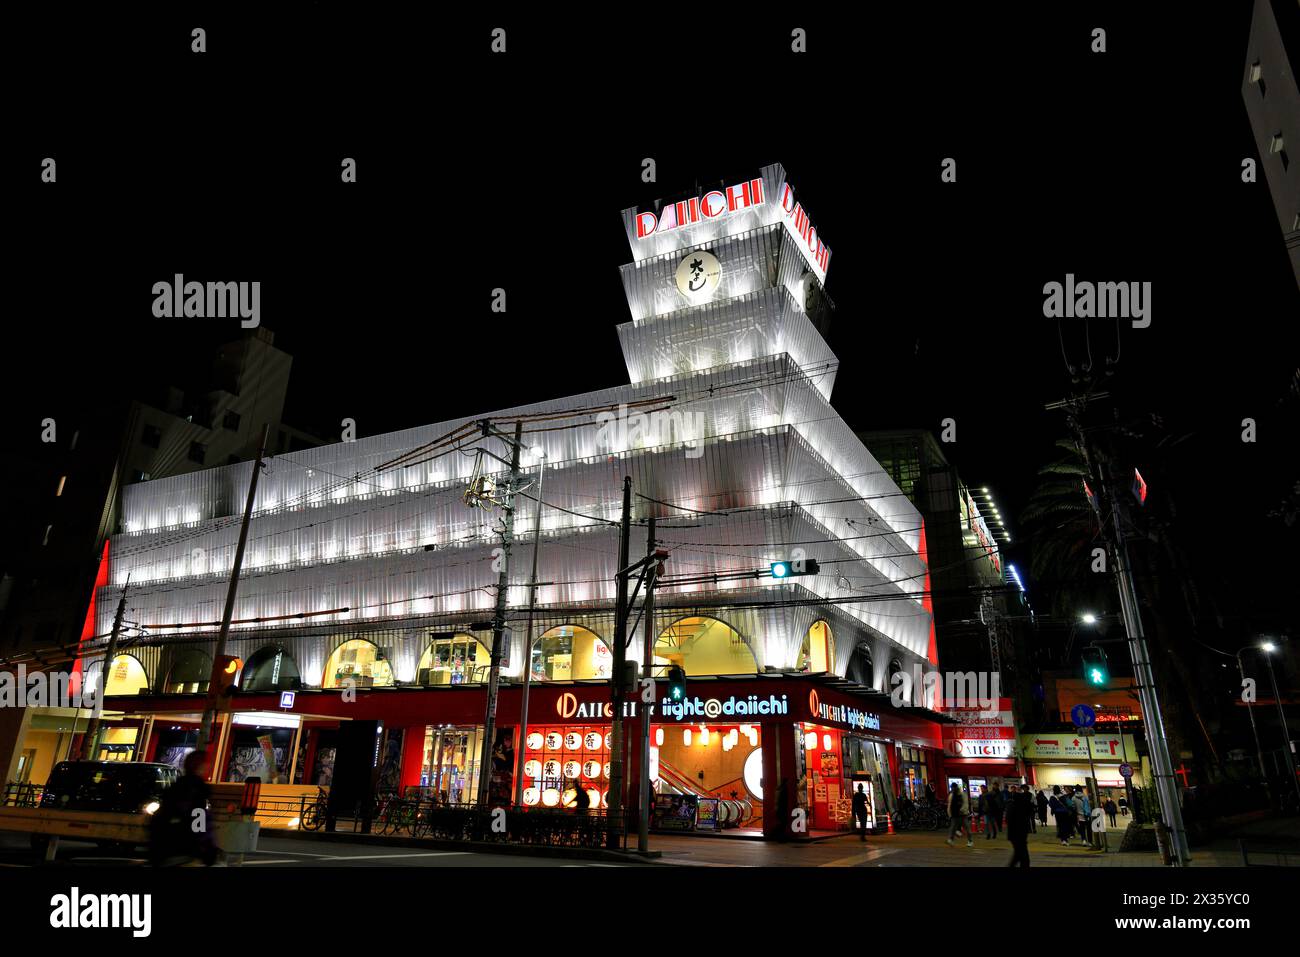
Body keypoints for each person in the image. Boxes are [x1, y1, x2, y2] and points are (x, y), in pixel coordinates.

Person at [149, 750, 218, 867]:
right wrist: (208, 850)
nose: (209, 767)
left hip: (165, 851)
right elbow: (199, 824)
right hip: (186, 852)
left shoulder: (175, 787)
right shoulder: (198, 790)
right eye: (207, 764)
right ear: (200, 766)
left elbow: (160, 818)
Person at [1005, 784, 1033, 867]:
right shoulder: (1022, 807)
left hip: (1015, 835)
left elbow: (1008, 820)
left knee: (1019, 855)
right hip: (1020, 835)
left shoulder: (1012, 806)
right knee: (1023, 857)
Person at [946, 781, 973, 847]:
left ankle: (970, 841)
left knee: (966, 827)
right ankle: (951, 839)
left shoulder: (962, 794)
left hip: (962, 814)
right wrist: (949, 814)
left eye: (952, 788)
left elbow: (965, 804)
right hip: (955, 814)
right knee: (953, 827)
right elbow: (949, 805)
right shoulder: (952, 795)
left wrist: (962, 810)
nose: (952, 789)